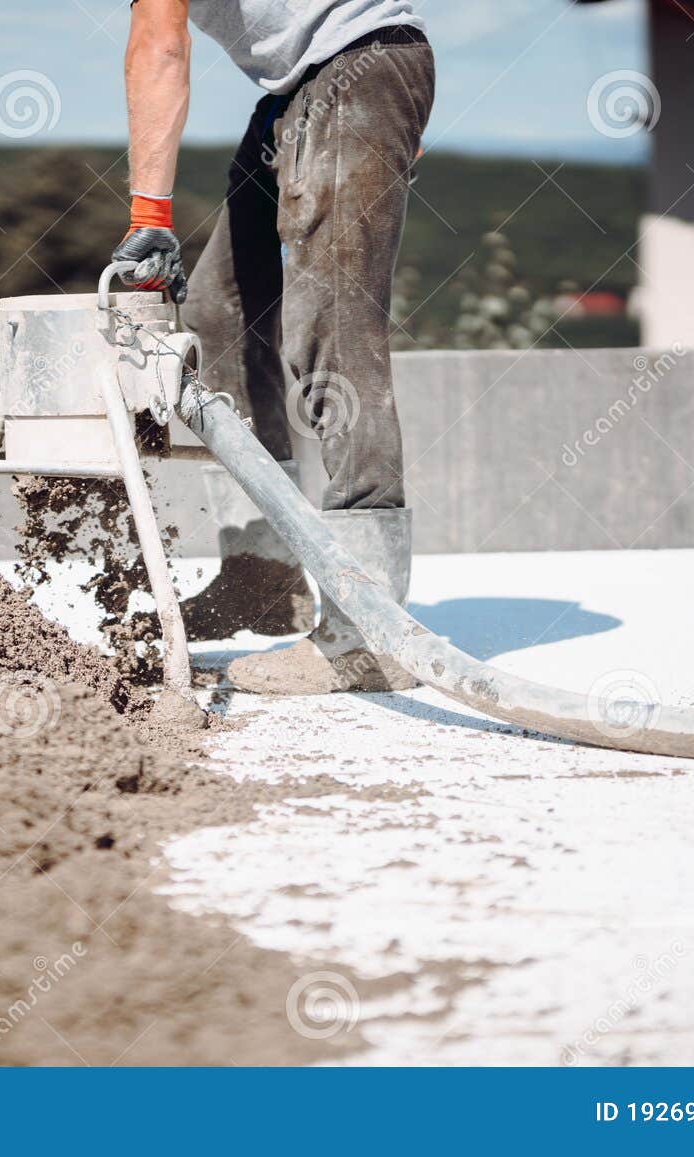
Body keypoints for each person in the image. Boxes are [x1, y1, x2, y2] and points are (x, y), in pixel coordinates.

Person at [113, 0, 435, 694]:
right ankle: (264, 575)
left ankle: (369, 632)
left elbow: (160, 43)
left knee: (334, 328)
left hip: (359, 66)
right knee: (218, 310)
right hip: (298, 88)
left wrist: (149, 218)